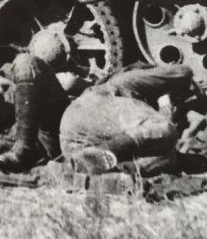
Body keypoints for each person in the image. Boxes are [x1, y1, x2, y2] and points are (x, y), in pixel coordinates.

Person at [55, 63, 199, 176]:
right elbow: (182, 71)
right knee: (164, 128)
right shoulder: (120, 82)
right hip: (89, 107)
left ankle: (110, 173)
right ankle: (104, 152)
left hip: (74, 143)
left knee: (169, 158)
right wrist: (165, 104)